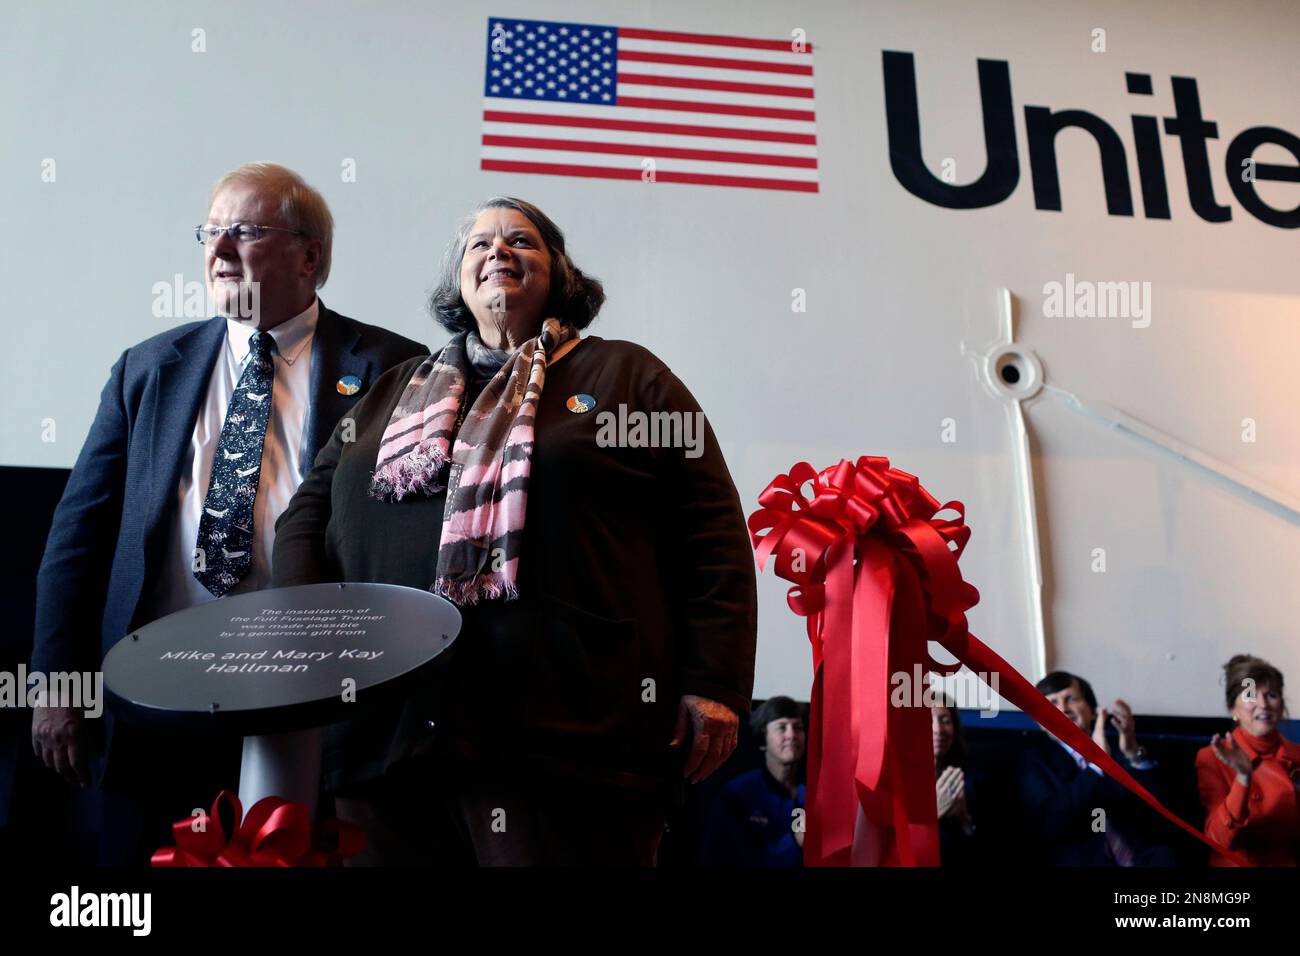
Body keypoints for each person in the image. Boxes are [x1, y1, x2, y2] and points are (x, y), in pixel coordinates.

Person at [271, 196, 758, 865]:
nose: (497, 251)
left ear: (559, 273)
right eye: (479, 244)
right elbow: (307, 516)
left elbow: (712, 533)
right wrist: (314, 642)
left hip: (571, 737)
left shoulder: (628, 376)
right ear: (458, 281)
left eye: (520, 241)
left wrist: (716, 684)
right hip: (388, 734)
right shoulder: (393, 390)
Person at [28, 162, 426, 864]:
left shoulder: (393, 367)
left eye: (242, 231)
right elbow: (77, 537)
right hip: (154, 695)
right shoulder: (149, 368)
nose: (216, 251)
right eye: (208, 232)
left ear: (310, 256)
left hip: (309, 702)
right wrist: (58, 680)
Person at [1014, 670, 1174, 865]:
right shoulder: (1033, 762)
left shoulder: (1118, 750)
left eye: (1071, 699)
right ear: (1040, 722)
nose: (1063, 709)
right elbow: (1052, 823)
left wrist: (1133, 752)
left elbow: (1159, 815)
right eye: (1052, 703)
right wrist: (1096, 765)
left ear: (1092, 711)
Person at [1196, 654, 1300, 866]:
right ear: (1232, 708)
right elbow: (1219, 840)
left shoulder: (1296, 754)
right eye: (1251, 695)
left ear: (1281, 705)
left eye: (1271, 695)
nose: (1263, 704)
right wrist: (1243, 778)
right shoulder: (1211, 757)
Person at [701, 696, 806, 866]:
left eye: (798, 727)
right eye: (782, 727)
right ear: (763, 737)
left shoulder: (812, 795)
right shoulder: (737, 795)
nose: (791, 735)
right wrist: (794, 841)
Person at [932, 694, 981, 866]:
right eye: (928, 719)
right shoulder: (899, 780)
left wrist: (964, 820)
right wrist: (934, 812)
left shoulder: (971, 776)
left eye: (945, 720)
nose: (938, 729)